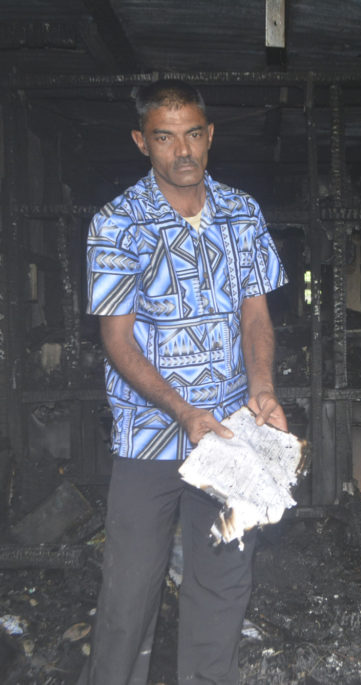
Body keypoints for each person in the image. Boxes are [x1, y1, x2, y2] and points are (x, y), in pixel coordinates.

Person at [81, 79, 287, 684]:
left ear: (210, 135)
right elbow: (117, 340)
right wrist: (182, 410)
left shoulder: (242, 213)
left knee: (222, 584)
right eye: (166, 137)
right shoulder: (117, 222)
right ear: (142, 142)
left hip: (227, 437)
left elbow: (256, 315)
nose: (183, 150)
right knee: (130, 589)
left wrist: (263, 388)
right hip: (148, 436)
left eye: (193, 133)